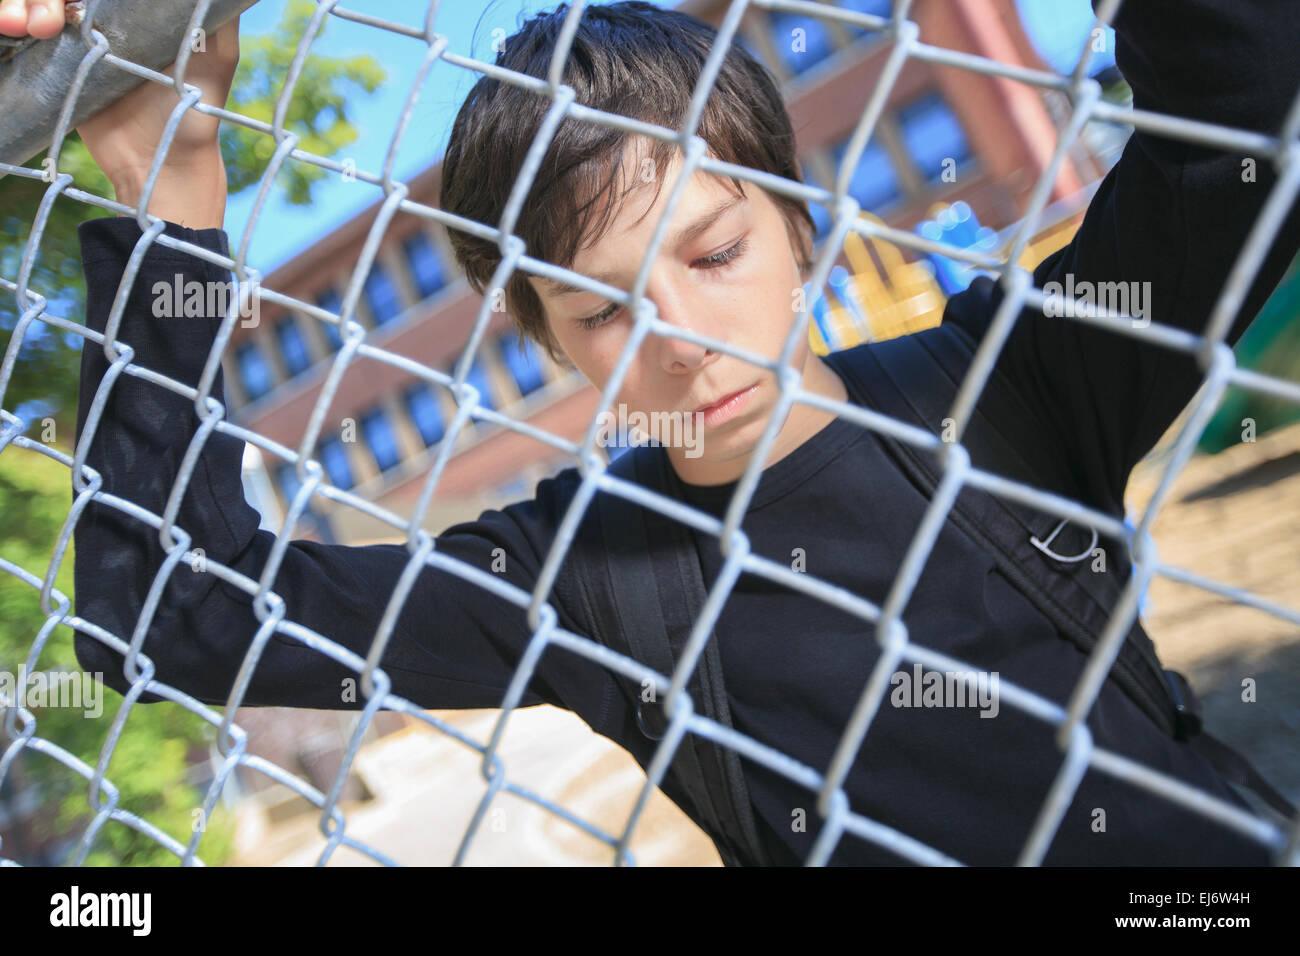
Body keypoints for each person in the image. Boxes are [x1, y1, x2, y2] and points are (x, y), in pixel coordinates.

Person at [14, 0, 1295, 864]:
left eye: (716, 249)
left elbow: (1249, 114)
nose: (685, 335)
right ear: (549, 341)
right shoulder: (593, 577)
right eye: (603, 309)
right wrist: (169, 175)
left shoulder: (1006, 384)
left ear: (802, 225)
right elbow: (177, 614)